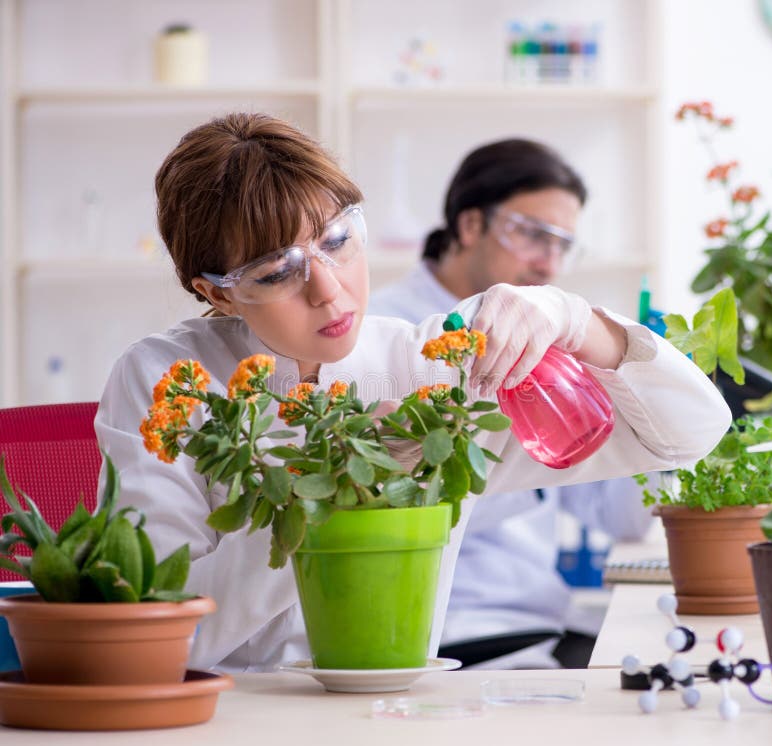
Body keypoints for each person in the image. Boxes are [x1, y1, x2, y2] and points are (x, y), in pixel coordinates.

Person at [94, 113, 730, 674]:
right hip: (231, 716)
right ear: (217, 292)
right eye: (277, 272)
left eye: (338, 243)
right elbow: (160, 635)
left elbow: (689, 431)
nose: (329, 291)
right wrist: (341, 485)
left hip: (398, 708)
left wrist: (575, 321)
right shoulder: (167, 380)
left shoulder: (422, 365)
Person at [370, 138, 655, 668]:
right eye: (533, 234)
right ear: (470, 225)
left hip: (541, 624)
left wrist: (651, 410)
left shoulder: (540, 339)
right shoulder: (383, 336)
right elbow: (385, 507)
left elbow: (621, 518)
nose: (549, 262)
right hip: (448, 639)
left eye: (564, 244)